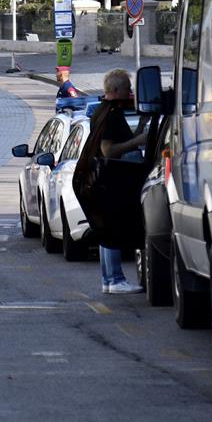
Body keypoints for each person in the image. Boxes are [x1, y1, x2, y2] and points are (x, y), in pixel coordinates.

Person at [93, 68, 149, 294]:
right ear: (115, 90)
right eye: (127, 88)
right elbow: (109, 150)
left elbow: (121, 139)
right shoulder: (110, 114)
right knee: (113, 229)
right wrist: (138, 140)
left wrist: (141, 128)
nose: (131, 92)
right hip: (113, 178)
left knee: (107, 230)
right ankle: (115, 279)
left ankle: (109, 279)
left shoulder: (104, 111)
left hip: (105, 178)